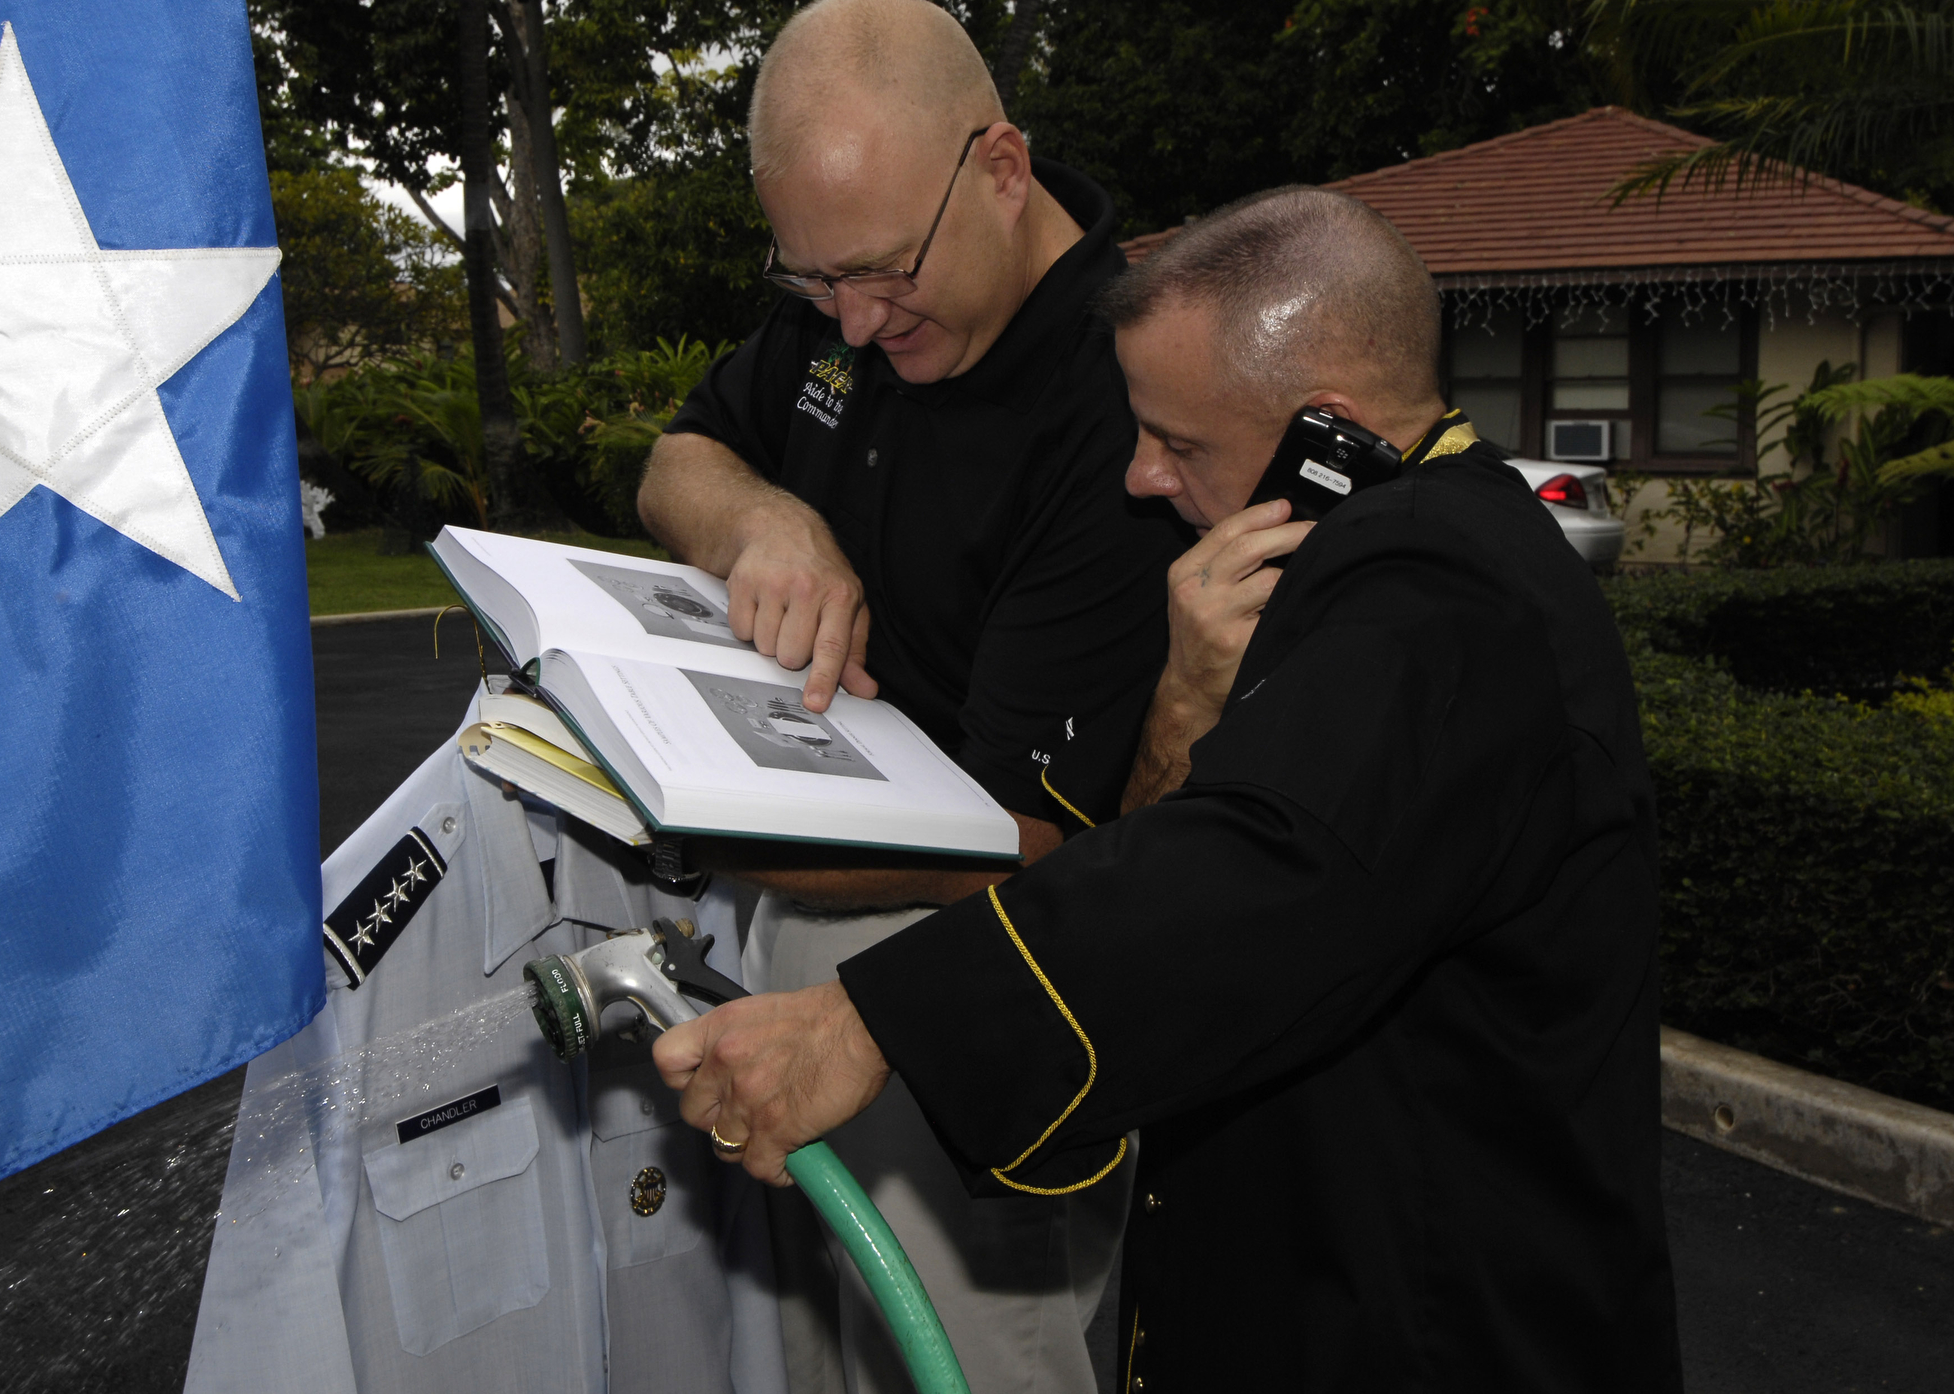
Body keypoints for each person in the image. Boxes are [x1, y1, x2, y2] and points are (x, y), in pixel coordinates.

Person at [656, 188, 1685, 1391]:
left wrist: (870, 1020)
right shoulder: (1359, 578)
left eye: (1179, 443)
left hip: (1427, 1330)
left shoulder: (1444, 588)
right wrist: (1188, 709)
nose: (1142, 478)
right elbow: (1176, 862)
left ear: (1331, 435)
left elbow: (1256, 873)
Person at [638, 0, 1188, 1394]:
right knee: (819, 1343)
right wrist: (762, 519)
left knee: (968, 1357)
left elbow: (1033, 840)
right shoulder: (850, 304)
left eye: (884, 275)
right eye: (816, 285)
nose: (861, 324)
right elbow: (679, 457)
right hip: (794, 908)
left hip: (978, 977)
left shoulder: (1125, 405)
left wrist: (677, 822)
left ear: (1001, 169)